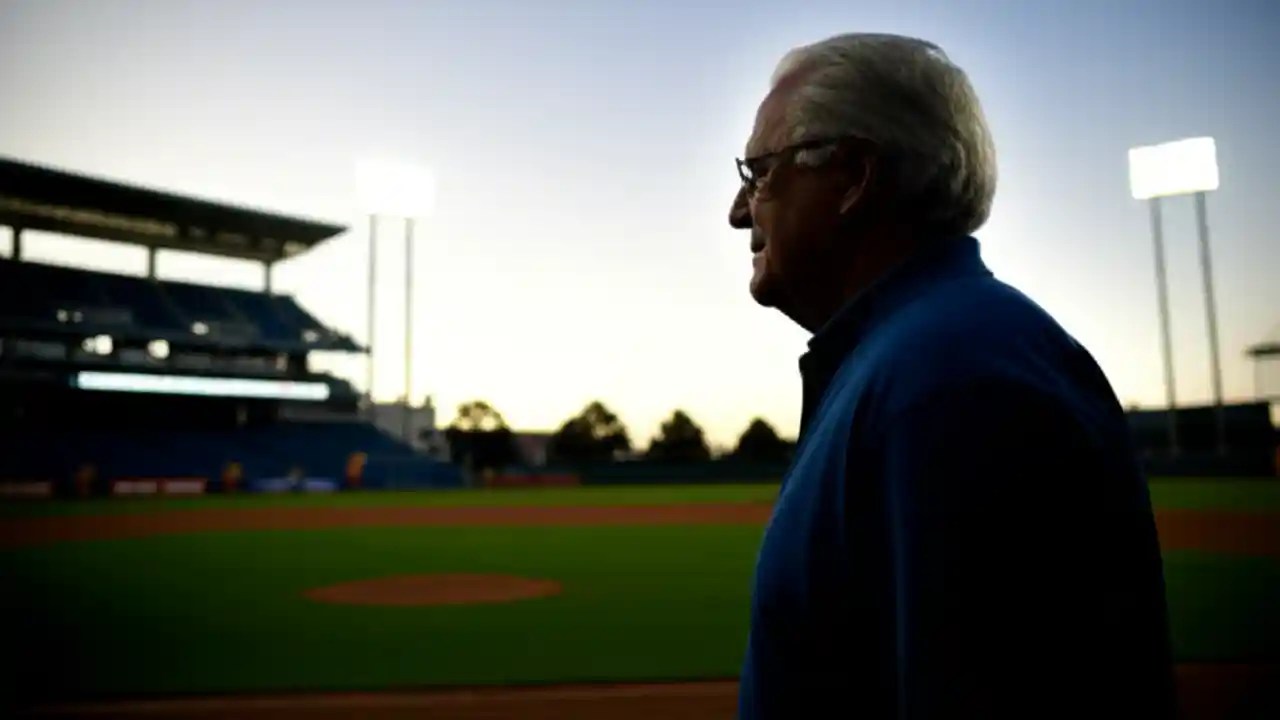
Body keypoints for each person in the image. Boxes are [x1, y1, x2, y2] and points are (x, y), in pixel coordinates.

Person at [729, 34, 1175, 718]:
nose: (740, 212)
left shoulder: (951, 380)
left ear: (853, 178)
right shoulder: (917, 358)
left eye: (760, 172)